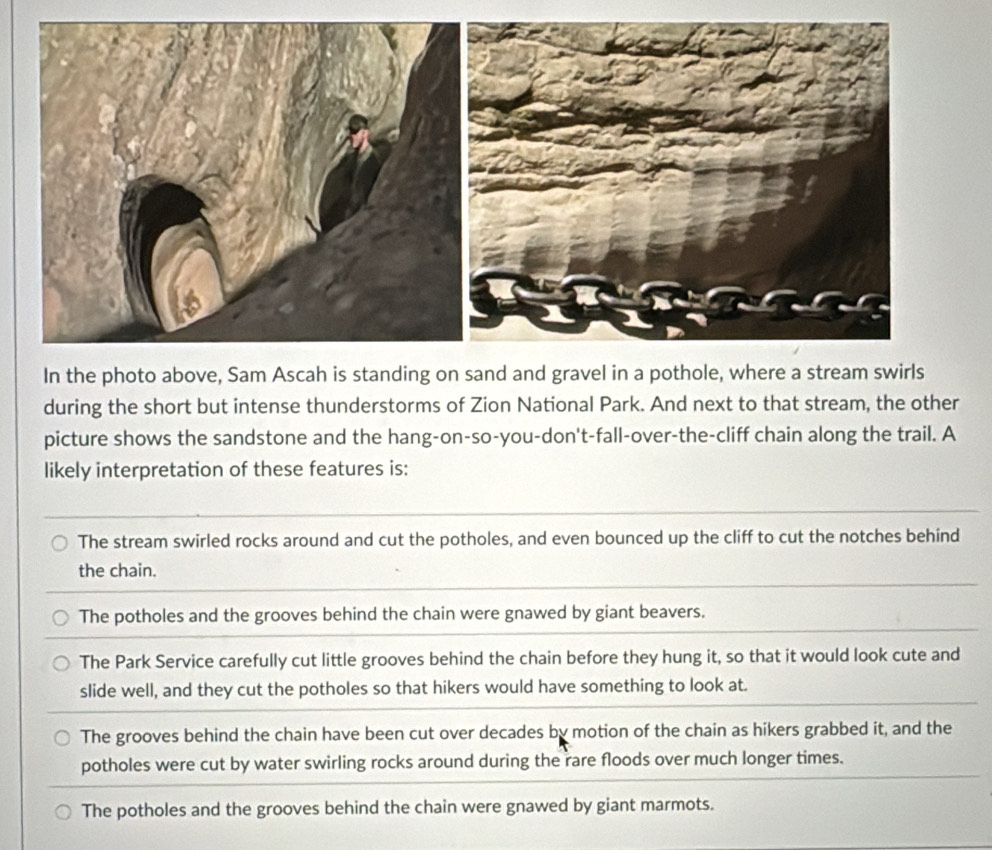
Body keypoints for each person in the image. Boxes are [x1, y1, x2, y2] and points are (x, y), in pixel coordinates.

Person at [345, 113, 382, 218]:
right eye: (350, 131)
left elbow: (364, 196)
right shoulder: (355, 157)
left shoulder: (371, 161)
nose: (351, 135)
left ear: (365, 134)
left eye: (355, 132)